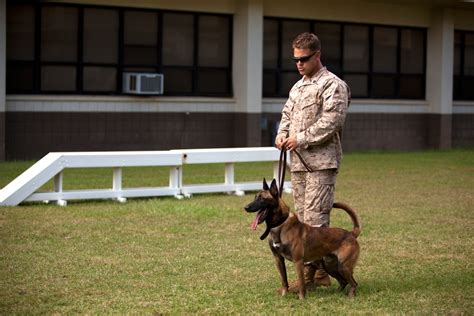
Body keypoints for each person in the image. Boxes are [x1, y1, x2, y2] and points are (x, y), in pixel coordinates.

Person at [275, 32, 350, 287]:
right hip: (298, 164)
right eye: (295, 59)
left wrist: (302, 138)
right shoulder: (298, 86)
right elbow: (286, 114)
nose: (299, 64)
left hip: (321, 164)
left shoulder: (332, 85)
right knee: (302, 220)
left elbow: (332, 122)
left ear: (317, 55)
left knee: (316, 221)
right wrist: (281, 134)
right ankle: (313, 273)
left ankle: (315, 275)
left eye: (304, 59)